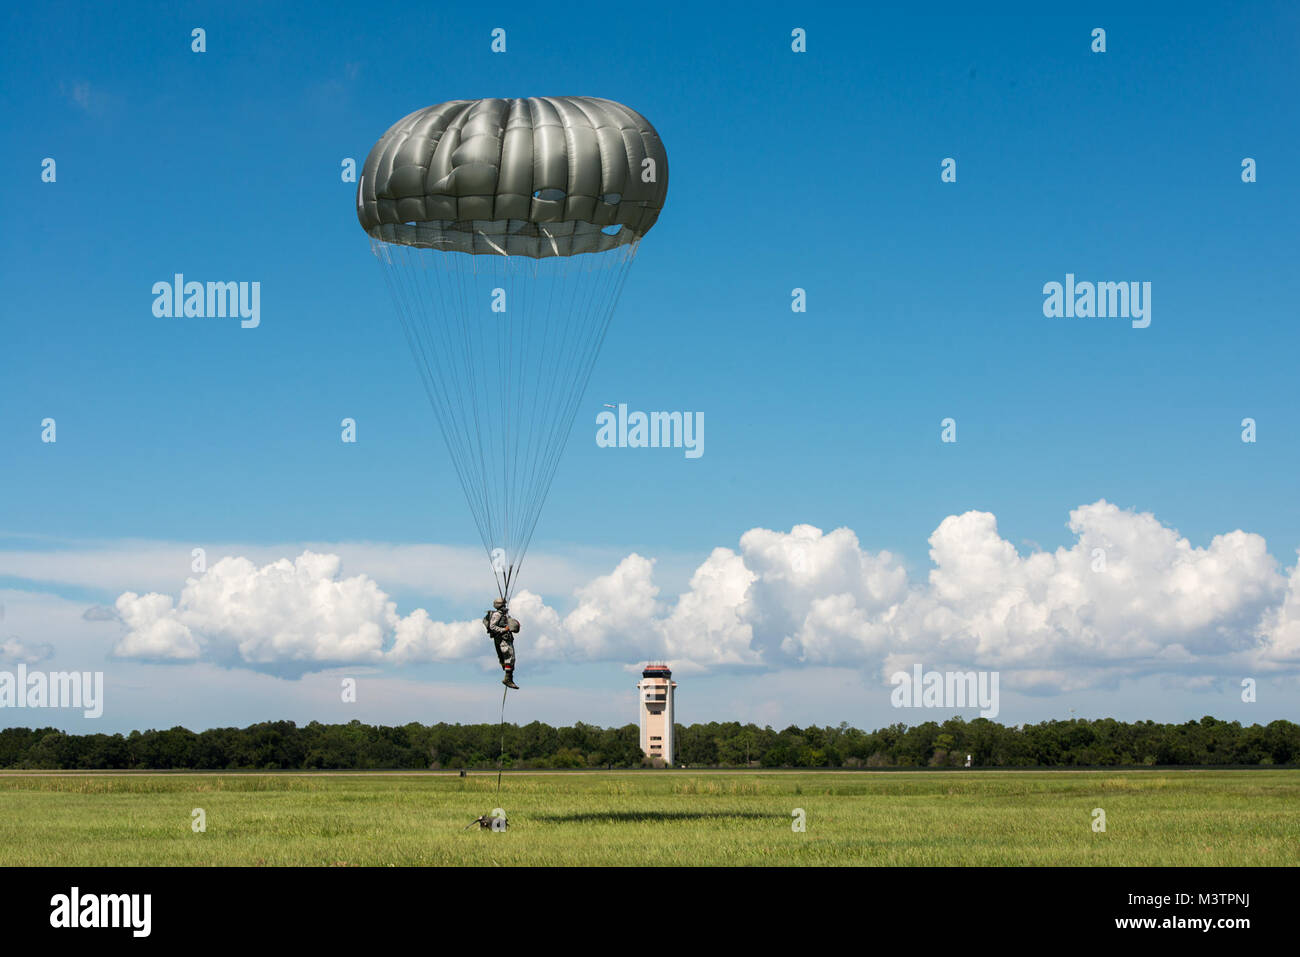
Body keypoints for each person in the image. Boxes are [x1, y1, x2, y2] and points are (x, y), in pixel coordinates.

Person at [484, 597, 520, 689]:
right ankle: (508, 679)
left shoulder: (504, 614)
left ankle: (508, 677)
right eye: (503, 605)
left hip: (505, 638)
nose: (505, 606)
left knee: (508, 658)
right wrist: (504, 629)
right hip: (503, 639)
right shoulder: (497, 614)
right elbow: (492, 626)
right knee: (510, 657)